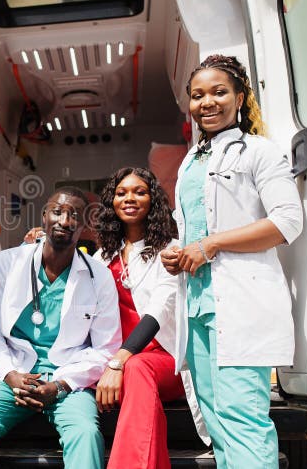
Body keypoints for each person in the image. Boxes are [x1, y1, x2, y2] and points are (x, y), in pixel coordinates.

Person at [161, 54, 303, 468]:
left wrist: (212, 245)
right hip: (200, 308)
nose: (208, 102)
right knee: (218, 425)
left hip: (241, 306)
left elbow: (286, 222)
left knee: (243, 420)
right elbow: (192, 226)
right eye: (198, 95)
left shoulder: (260, 151)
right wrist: (178, 251)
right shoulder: (191, 161)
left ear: (240, 97)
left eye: (219, 92)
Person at [0, 187, 121, 469]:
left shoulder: (99, 276)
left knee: (85, 433)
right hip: (13, 374)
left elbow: (106, 348)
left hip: (67, 380)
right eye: (57, 211)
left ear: (83, 226)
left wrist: (59, 385)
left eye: (74, 216)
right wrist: (11, 375)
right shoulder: (9, 262)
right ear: (44, 216)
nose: (64, 220)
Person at [93, 167, 206, 469]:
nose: (129, 198)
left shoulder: (169, 250)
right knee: (140, 387)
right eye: (122, 192)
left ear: (152, 200)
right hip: (118, 363)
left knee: (139, 368)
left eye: (139, 191)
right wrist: (37, 244)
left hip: (163, 359)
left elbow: (159, 310)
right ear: (112, 202)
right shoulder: (101, 256)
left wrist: (119, 362)